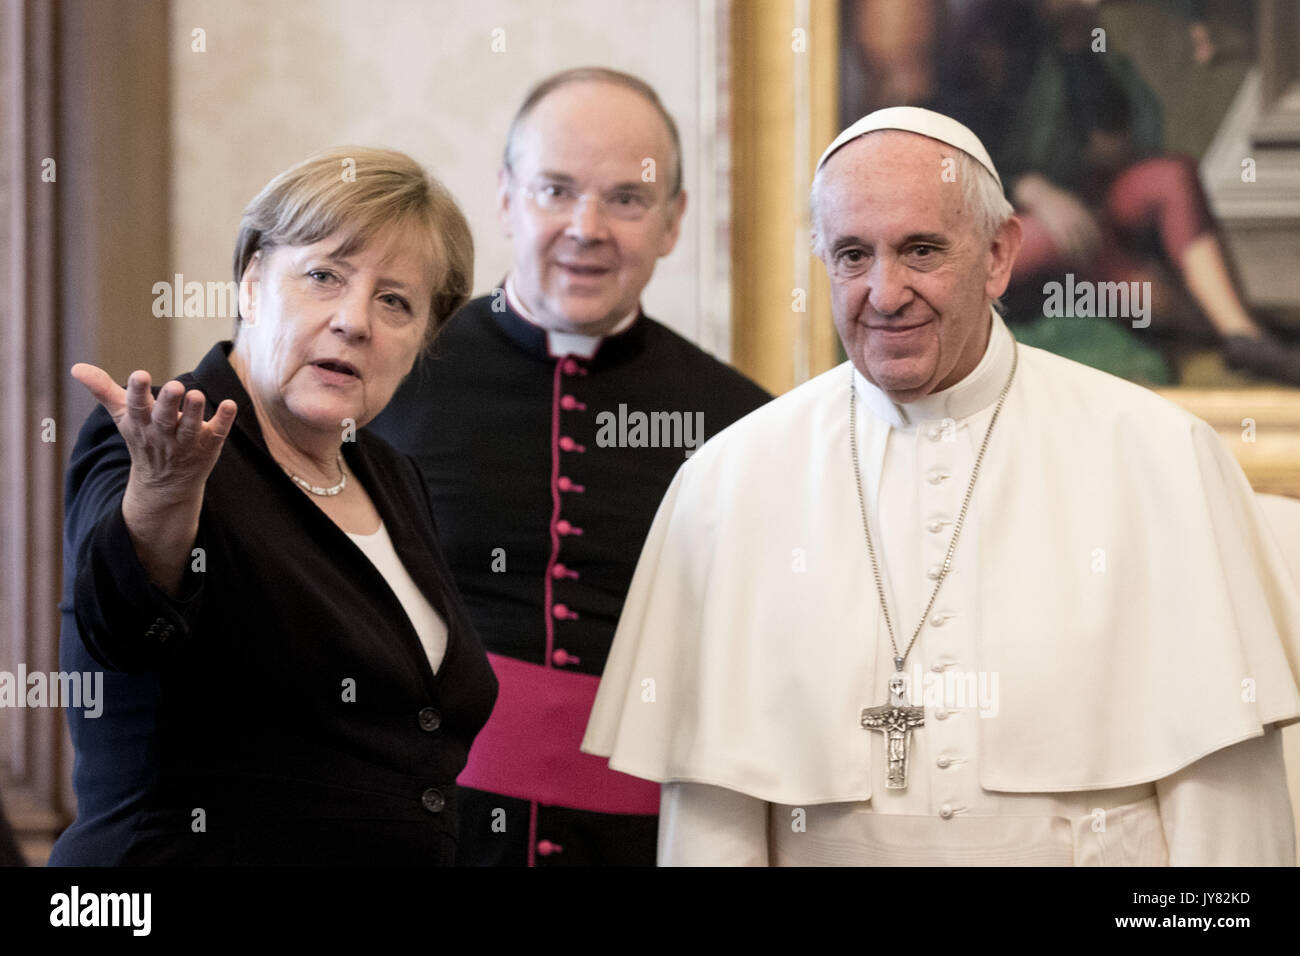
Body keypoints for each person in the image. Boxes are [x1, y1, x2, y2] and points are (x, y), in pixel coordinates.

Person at [582, 106, 1300, 866]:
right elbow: (711, 823)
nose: (885, 293)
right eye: (853, 256)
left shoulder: (1161, 457)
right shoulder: (729, 484)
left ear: (999, 256)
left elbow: (1229, 827)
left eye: (921, 250)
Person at [49, 147, 497, 866]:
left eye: (395, 301)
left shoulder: (391, 477)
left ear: (422, 341)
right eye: (324, 276)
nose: (355, 321)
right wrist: (163, 495)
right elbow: (123, 629)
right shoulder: (167, 443)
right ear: (253, 282)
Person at [367, 67, 770, 866]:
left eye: (626, 198)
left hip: (644, 845)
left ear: (672, 222)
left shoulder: (745, 425)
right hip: (422, 835)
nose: (588, 227)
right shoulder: (389, 379)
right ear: (508, 198)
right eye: (556, 190)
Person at [941, 0, 1300, 385]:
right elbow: (950, 157)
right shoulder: (981, 39)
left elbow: (1114, 148)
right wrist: (1031, 189)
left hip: (1084, 214)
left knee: (1168, 176)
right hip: (995, 229)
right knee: (1064, 240)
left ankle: (1239, 333)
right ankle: (1191, 321)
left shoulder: (1080, 43)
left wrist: (1078, 46)